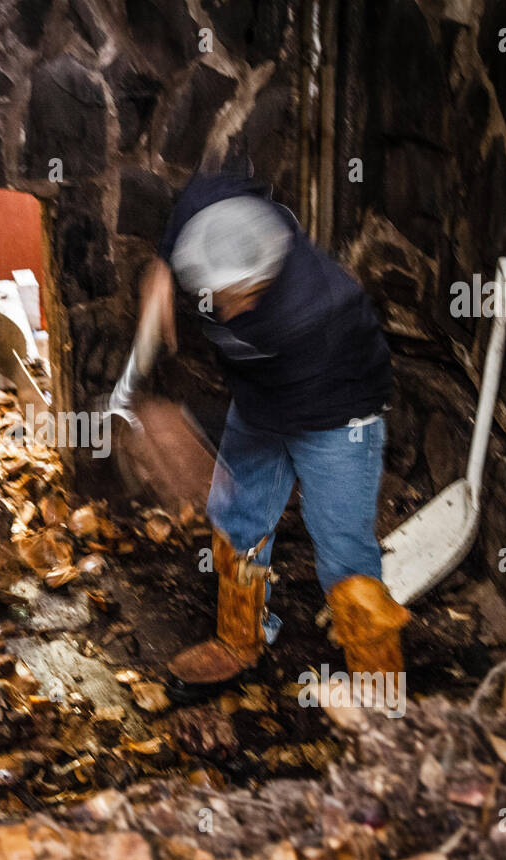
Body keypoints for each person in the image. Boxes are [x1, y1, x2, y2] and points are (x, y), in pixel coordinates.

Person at [139, 171, 408, 689]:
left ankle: (382, 697)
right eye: (224, 297)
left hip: (339, 412)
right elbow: (197, 197)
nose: (235, 309)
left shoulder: (313, 312)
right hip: (265, 394)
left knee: (343, 555)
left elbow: (272, 424)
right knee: (237, 521)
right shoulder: (210, 216)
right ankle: (240, 640)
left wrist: (183, 438)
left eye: (249, 294)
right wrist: (161, 267)